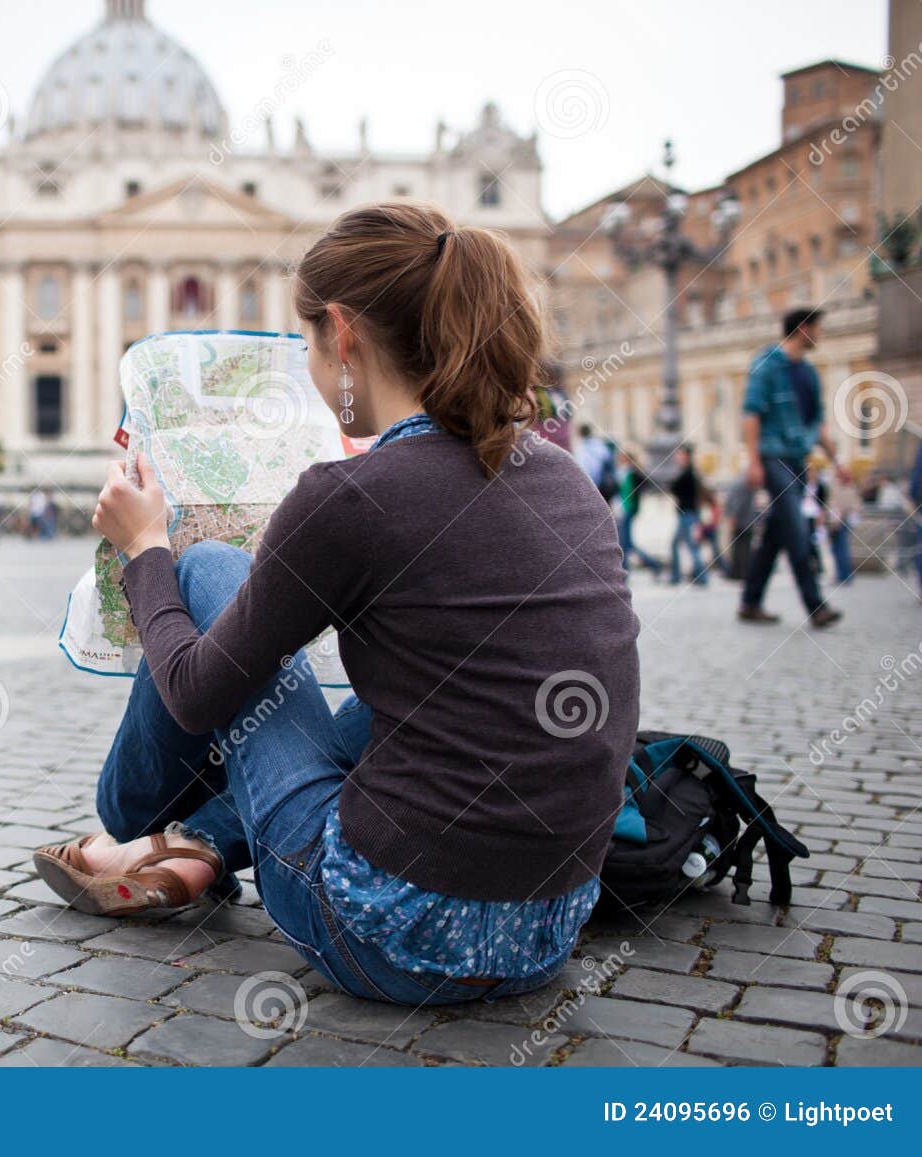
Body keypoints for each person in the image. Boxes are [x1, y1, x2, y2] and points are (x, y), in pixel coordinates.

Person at [33, 203, 639, 1007]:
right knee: (425, 689)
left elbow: (195, 693)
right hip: (543, 934)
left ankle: (134, 830)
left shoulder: (353, 497)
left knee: (208, 567)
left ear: (343, 335)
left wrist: (148, 550)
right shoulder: (566, 479)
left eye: (310, 345)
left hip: (385, 933)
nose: (314, 375)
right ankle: (203, 845)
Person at [738, 308, 847, 627]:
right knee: (797, 528)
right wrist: (754, 461)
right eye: (817, 328)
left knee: (777, 532)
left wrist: (837, 462)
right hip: (773, 457)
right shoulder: (766, 366)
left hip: (797, 460)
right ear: (803, 329)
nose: (820, 334)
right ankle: (816, 607)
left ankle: (750, 601)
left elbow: (818, 424)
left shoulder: (809, 374)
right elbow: (751, 415)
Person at [614, 450, 662, 575]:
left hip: (628, 510)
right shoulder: (623, 472)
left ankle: (625, 571)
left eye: (622, 458)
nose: (620, 460)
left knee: (625, 544)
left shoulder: (634, 473)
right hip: (623, 510)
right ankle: (653, 564)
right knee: (627, 543)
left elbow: (646, 485)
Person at [668, 444, 706, 586]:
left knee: (688, 545)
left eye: (680, 454)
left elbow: (676, 488)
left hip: (687, 514)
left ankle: (697, 576)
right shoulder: (687, 471)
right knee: (685, 545)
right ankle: (682, 576)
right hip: (687, 513)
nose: (677, 457)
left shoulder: (687, 473)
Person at [824, 470, 860, 584]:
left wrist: (834, 521)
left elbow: (836, 505)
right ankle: (845, 574)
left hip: (839, 522)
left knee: (840, 549)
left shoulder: (841, 488)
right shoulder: (850, 488)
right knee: (841, 549)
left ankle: (843, 575)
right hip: (844, 521)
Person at [574, 423, 615, 500]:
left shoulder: (581, 448)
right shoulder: (599, 444)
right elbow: (608, 460)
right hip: (604, 486)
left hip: (593, 486)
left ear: (579, 433)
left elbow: (586, 468)